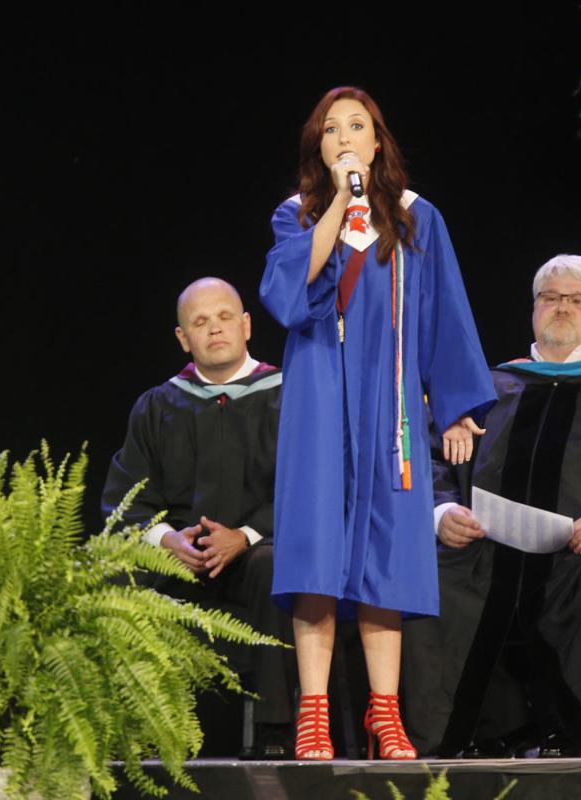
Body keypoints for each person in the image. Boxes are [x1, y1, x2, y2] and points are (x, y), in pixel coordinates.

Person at [260, 86, 496, 760]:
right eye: (330, 130)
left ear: (377, 142)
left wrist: (452, 405)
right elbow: (287, 296)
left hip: (389, 407)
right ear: (321, 149)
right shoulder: (297, 215)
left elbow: (445, 311)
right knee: (316, 556)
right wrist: (340, 203)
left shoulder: (420, 220)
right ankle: (312, 715)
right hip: (319, 397)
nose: (343, 137)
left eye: (355, 126)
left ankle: (384, 714)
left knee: (385, 558)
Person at [402, 255, 581, 758]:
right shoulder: (488, 386)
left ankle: (578, 736)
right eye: (551, 297)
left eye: (578, 299)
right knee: (423, 571)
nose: (562, 307)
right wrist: (442, 512)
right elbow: (433, 459)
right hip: (487, 549)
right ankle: (456, 741)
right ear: (533, 309)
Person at [101, 276, 296, 758]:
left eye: (225, 317)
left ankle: (276, 734)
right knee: (113, 573)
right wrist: (169, 542)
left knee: (276, 566)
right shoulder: (157, 405)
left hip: (256, 553)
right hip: (179, 563)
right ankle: (138, 735)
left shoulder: (286, 395)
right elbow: (125, 499)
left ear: (246, 325)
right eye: (200, 322)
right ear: (183, 338)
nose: (215, 330)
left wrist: (244, 536)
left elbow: (305, 488)